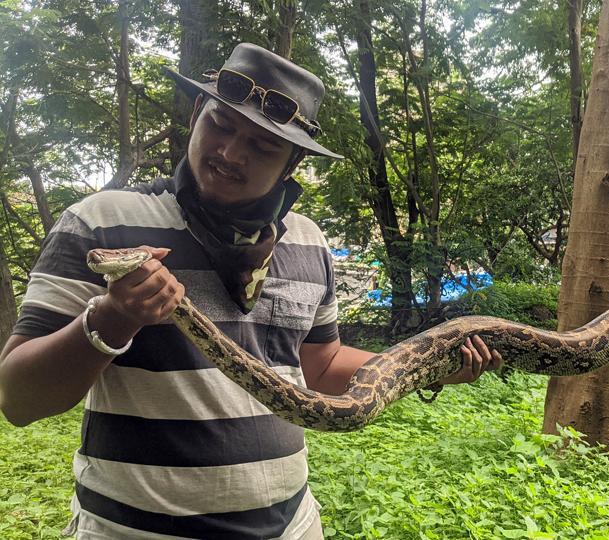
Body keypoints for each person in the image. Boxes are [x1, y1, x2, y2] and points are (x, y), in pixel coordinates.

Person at [0, 43, 502, 539]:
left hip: (292, 526)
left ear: (292, 162)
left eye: (262, 146)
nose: (230, 153)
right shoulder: (101, 222)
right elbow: (17, 399)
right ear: (198, 111)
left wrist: (427, 368)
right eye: (220, 124)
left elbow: (320, 367)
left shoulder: (307, 240)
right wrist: (111, 318)